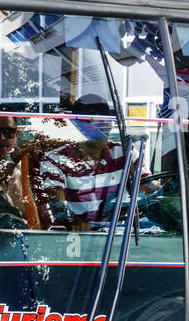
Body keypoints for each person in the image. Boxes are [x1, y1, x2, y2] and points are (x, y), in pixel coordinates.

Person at [39, 94, 148, 231]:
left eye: (106, 120)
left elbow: (150, 188)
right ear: (76, 125)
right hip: (76, 240)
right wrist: (74, 222)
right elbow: (56, 200)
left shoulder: (126, 154)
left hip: (121, 236)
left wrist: (172, 188)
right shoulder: (54, 160)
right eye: (93, 121)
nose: (103, 126)